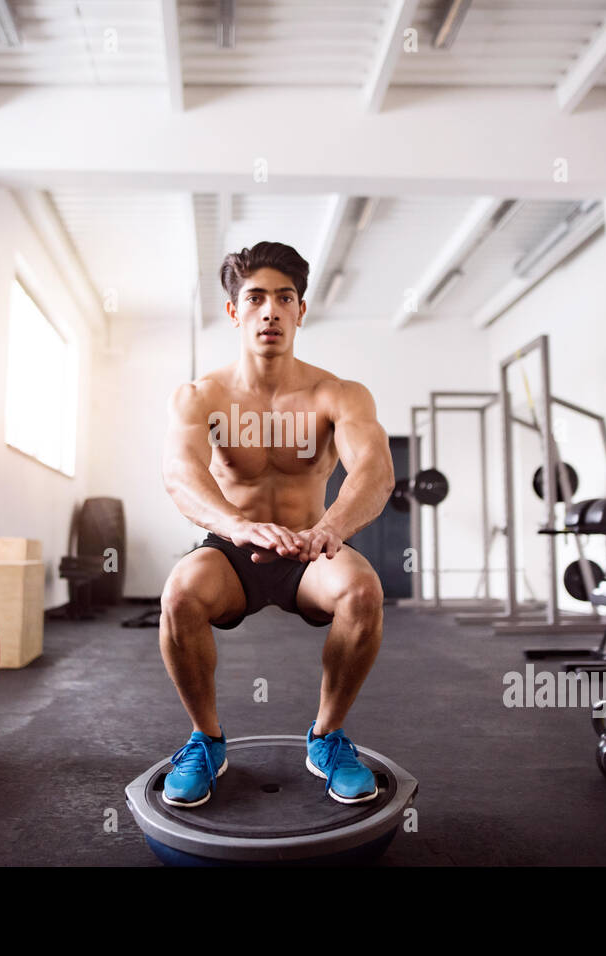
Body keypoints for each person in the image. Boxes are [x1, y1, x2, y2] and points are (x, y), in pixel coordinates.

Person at [159, 240, 395, 807]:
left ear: (300, 311)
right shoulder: (200, 396)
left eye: (284, 298)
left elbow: (376, 471)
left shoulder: (338, 393)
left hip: (312, 549)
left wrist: (331, 528)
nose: (270, 310)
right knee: (180, 594)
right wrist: (238, 526)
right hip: (232, 550)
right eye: (255, 297)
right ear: (234, 311)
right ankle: (206, 740)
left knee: (362, 590)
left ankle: (327, 738)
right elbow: (180, 476)